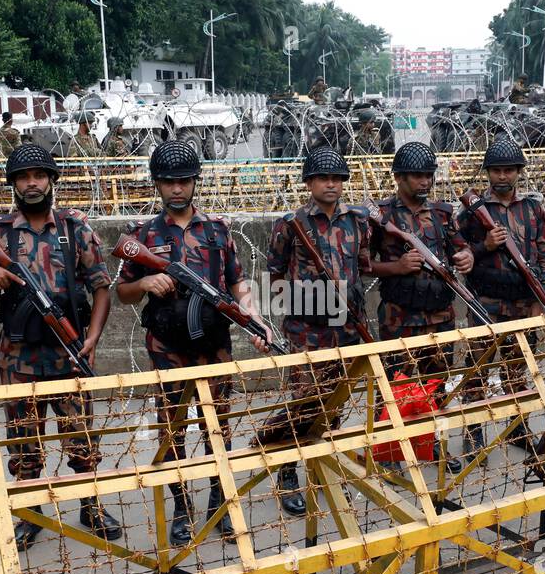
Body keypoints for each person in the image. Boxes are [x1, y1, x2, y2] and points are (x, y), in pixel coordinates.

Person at [116, 140, 273, 546]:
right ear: (157, 185)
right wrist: (146, 282)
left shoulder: (218, 229)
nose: (176, 190)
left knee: (216, 428)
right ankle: (182, 507)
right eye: (168, 182)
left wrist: (251, 314)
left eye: (183, 181)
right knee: (174, 431)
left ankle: (217, 504)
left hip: (215, 343)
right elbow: (122, 291)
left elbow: (237, 281)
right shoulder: (144, 235)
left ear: (194, 182)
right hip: (167, 346)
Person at [0, 144, 117, 546]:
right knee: (24, 441)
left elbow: (101, 286)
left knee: (82, 439)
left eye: (39, 175)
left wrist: (92, 338)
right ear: (13, 184)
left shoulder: (75, 229)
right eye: (23, 177)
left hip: (69, 352)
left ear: (52, 180)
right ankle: (30, 513)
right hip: (18, 357)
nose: (31, 183)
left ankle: (90, 506)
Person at [263, 146, 372, 515]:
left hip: (345, 327)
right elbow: (275, 273)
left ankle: (323, 464)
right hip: (308, 328)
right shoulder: (292, 224)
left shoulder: (357, 222)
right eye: (323, 178)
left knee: (334, 401)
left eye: (337, 178)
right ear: (309, 182)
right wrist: (287, 320)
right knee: (304, 401)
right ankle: (288, 471)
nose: (331, 184)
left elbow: (361, 266)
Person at [370, 141, 474, 460]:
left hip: (440, 317)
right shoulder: (381, 216)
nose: (424, 181)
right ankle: (390, 452)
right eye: (416, 175)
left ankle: (432, 444)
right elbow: (362, 264)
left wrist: (466, 256)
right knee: (394, 386)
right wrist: (396, 268)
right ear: (399, 177)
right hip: (400, 318)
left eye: (428, 175)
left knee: (435, 384)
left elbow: (460, 246)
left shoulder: (442, 213)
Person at [455, 138, 545, 457]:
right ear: (488, 173)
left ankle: (517, 428)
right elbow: (457, 254)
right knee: (479, 370)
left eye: (508, 170)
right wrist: (484, 245)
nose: (502, 176)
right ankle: (473, 432)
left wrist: (542, 298)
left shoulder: (533, 208)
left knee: (517, 368)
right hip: (485, 300)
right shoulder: (472, 212)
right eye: (496, 170)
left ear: (518, 172)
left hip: (522, 302)